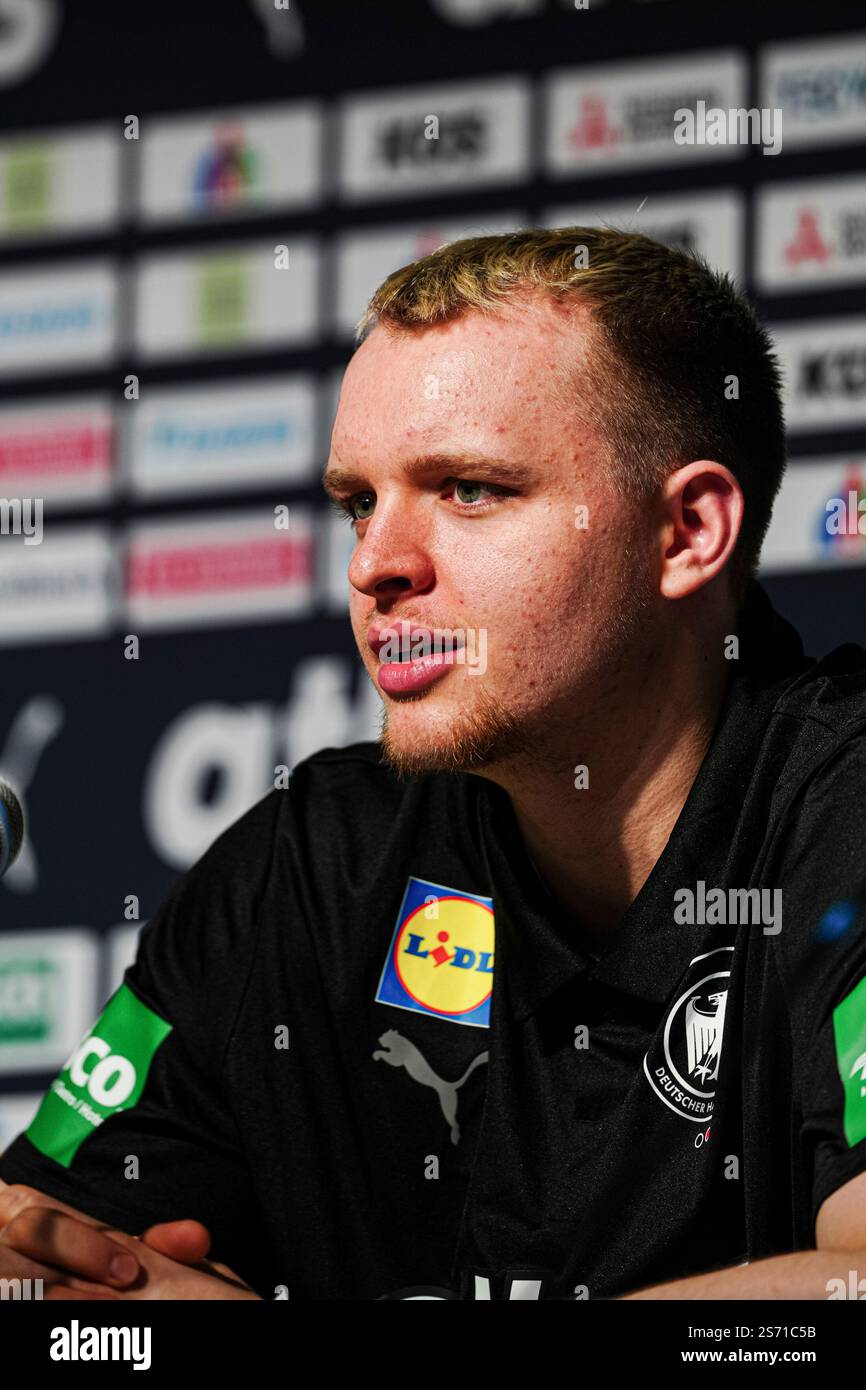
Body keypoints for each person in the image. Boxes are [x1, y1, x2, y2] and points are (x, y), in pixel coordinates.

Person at [1, 226, 866, 1301]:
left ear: (686, 531)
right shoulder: (314, 864)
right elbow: (54, 1250)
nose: (374, 565)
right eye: (359, 502)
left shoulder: (842, 806)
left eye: (467, 490)